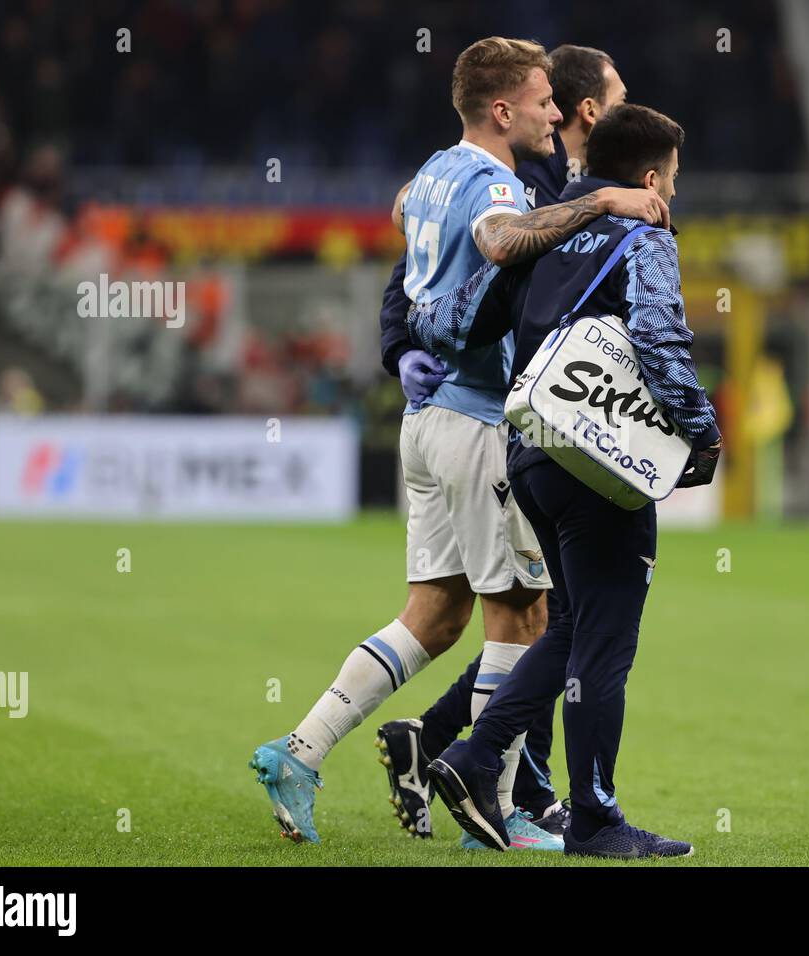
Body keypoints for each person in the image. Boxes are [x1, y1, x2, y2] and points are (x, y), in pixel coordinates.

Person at [249, 38, 666, 848]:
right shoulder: (498, 181)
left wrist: (410, 336)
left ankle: (298, 750)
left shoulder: (435, 169)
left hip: (425, 423)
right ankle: (494, 809)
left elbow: (408, 213)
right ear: (503, 109)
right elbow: (503, 241)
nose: (553, 111)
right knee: (524, 618)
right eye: (542, 99)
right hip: (479, 420)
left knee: (435, 617)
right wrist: (607, 204)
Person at [416, 103, 721, 858]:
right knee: (605, 647)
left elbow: (448, 323)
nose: (672, 195)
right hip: (602, 464)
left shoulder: (539, 237)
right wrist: (704, 434)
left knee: (574, 625)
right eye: (672, 181)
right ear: (651, 178)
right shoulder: (645, 235)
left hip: (529, 455)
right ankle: (594, 818)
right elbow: (657, 337)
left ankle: (471, 756)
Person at [374, 44, 629, 842]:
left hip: (549, 416)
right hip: (503, 417)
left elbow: (415, 211)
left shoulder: (565, 177)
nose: (555, 114)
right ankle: (509, 787)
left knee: (540, 611)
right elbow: (417, 259)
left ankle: (446, 746)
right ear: (591, 109)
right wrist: (399, 347)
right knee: (544, 614)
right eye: (617, 94)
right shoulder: (542, 183)